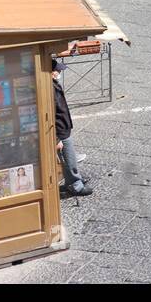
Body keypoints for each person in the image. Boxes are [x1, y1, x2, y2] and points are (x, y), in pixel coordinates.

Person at [53, 57, 93, 197]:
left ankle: (74, 180)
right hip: (59, 130)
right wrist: (56, 138)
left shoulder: (53, 84)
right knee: (67, 158)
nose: (59, 72)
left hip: (63, 127)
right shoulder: (49, 88)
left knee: (69, 157)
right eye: (57, 70)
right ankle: (75, 185)